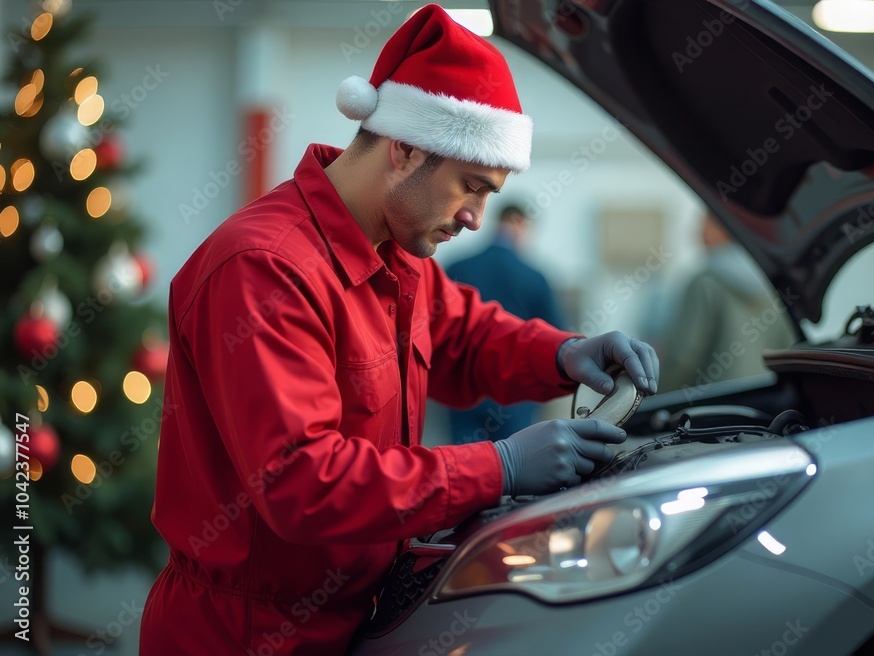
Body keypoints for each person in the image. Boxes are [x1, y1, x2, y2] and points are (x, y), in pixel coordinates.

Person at [138, 6, 659, 655]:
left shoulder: (397, 254)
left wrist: (565, 352)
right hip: (247, 633)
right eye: (470, 187)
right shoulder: (265, 268)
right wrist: (497, 467)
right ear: (406, 148)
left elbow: (465, 335)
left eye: (490, 196)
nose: (474, 218)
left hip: (348, 613)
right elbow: (302, 481)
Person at [445, 204, 566, 443]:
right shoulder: (534, 276)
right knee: (514, 467)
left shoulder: (457, 267)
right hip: (514, 392)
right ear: (520, 224)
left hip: (461, 387)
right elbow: (555, 334)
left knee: (462, 464)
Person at [648, 211, 795, 394]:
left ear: (728, 227)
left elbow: (682, 359)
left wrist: (655, 397)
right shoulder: (772, 284)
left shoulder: (705, 283)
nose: (697, 230)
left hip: (711, 408)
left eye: (707, 221)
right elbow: (788, 348)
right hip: (763, 404)